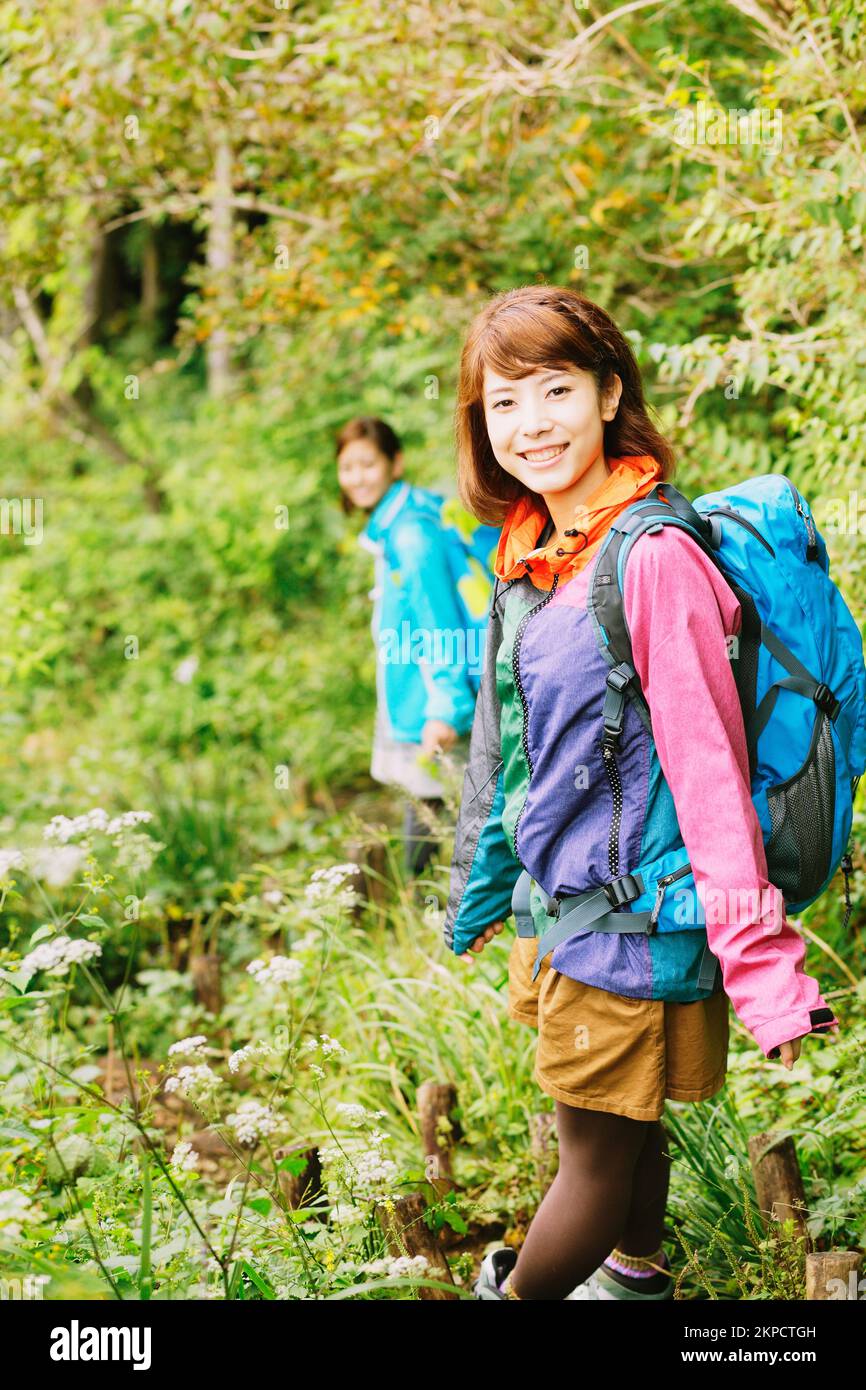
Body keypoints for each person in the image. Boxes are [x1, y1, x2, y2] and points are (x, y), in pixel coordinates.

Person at [442, 285, 841, 1301]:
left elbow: (706, 775)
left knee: (590, 1152)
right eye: (502, 404)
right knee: (621, 1123)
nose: (528, 424)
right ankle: (631, 1279)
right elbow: (518, 750)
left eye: (553, 390)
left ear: (608, 391)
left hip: (633, 916)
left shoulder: (649, 559)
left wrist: (761, 968)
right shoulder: (541, 552)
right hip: (574, 903)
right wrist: (491, 891)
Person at [336, 416, 499, 877]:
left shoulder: (410, 533)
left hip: (434, 701)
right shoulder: (403, 520)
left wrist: (445, 708)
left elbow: (438, 619)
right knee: (441, 812)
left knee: (440, 814)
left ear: (395, 463)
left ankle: (432, 917)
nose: (357, 478)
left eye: (368, 464)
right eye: (347, 467)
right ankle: (432, 915)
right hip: (420, 693)